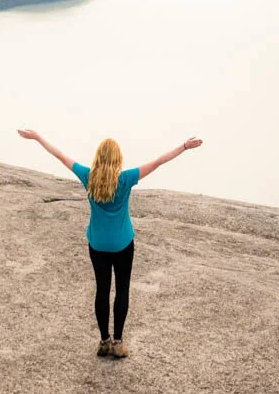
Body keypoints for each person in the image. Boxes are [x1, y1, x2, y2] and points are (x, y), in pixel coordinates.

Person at [17, 128, 203, 358]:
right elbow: (158, 162)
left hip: (98, 244)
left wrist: (37, 137)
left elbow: (60, 156)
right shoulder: (125, 179)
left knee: (102, 290)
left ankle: (104, 341)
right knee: (122, 289)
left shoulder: (88, 176)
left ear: (98, 157)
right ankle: (117, 342)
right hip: (123, 243)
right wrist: (183, 147)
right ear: (117, 159)